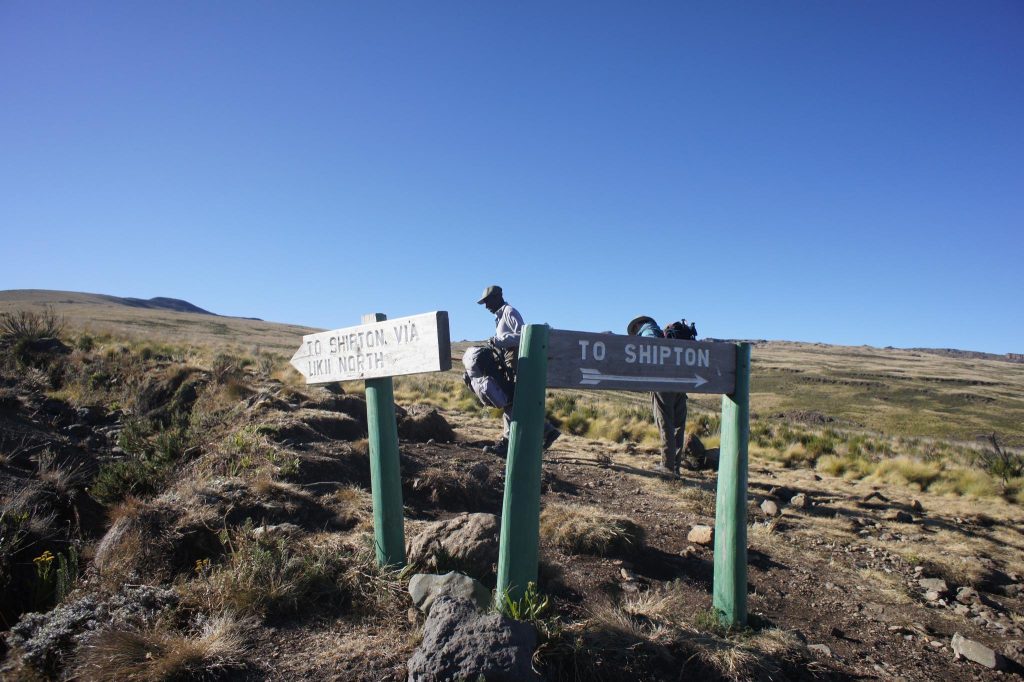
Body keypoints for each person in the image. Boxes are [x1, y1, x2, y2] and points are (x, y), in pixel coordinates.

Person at [476, 285, 560, 457]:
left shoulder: (510, 312)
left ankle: (507, 443)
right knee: (514, 400)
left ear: (497, 297)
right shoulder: (500, 316)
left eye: (487, 301)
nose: (486, 306)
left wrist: (499, 341)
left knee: (510, 400)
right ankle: (547, 430)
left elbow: (523, 334)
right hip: (509, 361)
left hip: (516, 361)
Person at [627, 315, 693, 477]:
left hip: (662, 384)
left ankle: (667, 467)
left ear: (637, 325)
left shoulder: (648, 330)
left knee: (665, 424)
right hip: (681, 383)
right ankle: (675, 467)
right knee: (678, 426)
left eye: (633, 329)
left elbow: (650, 347)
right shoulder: (666, 334)